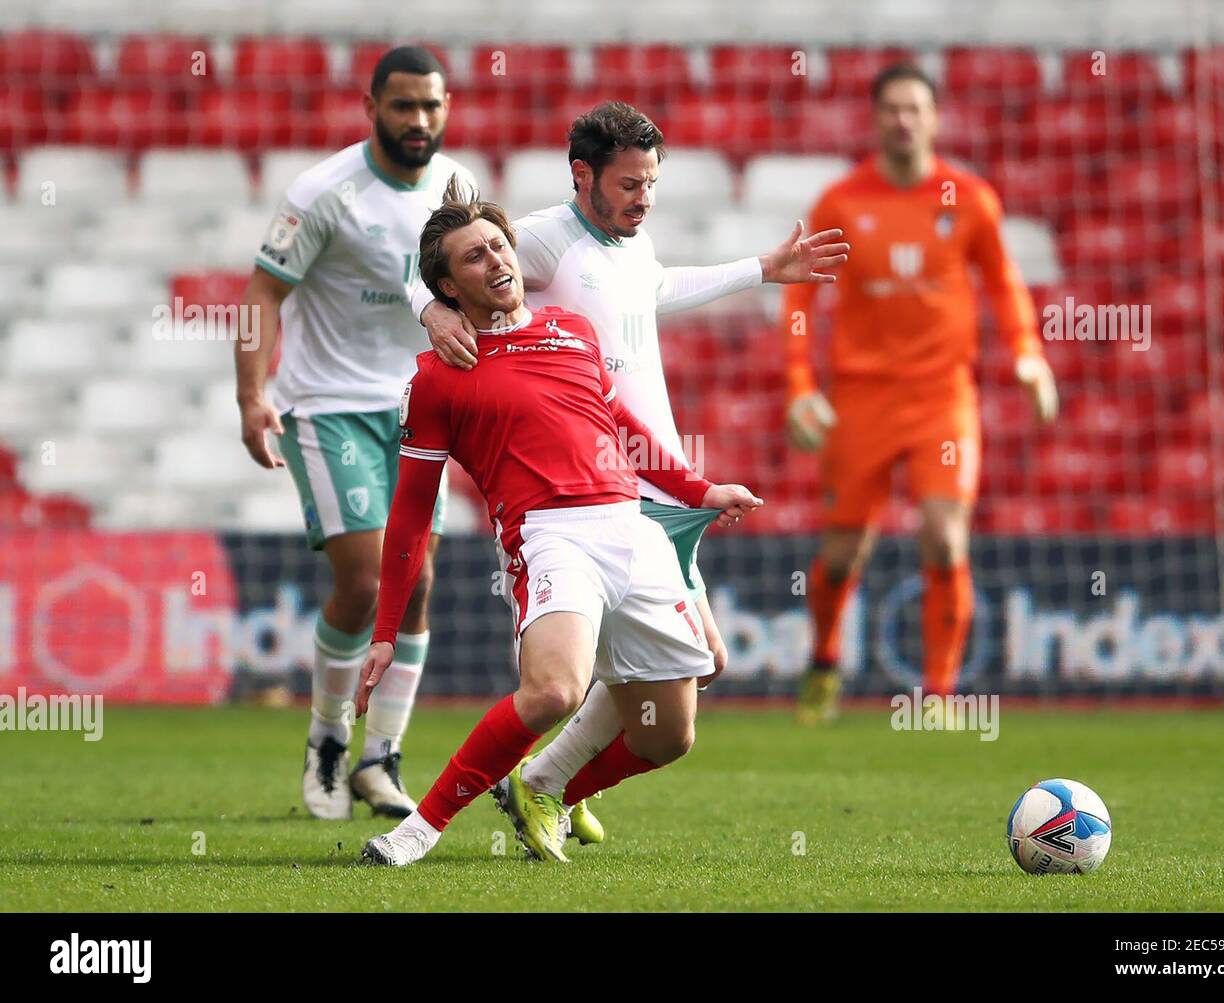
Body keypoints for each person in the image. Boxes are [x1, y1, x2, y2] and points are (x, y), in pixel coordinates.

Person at [410, 102, 846, 841]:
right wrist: (429, 310)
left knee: (692, 666)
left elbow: (656, 288)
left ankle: (548, 782)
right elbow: (436, 253)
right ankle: (546, 784)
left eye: (651, 182)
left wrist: (760, 271)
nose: (644, 197)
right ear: (583, 175)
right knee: (695, 664)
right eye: (629, 183)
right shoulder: (546, 237)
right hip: (609, 488)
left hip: (658, 477)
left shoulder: (630, 243)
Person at [357, 179, 762, 865]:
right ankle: (415, 831)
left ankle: (548, 783)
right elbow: (411, 511)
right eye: (473, 258)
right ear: (448, 289)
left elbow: (624, 427)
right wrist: (387, 631)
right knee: (552, 691)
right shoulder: (437, 376)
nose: (495, 261)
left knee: (669, 735)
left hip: (633, 527)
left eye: (497, 245)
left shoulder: (571, 330)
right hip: (550, 536)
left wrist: (699, 487)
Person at [237, 46, 479, 818]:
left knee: (420, 585)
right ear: (370, 106)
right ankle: (329, 739)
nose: (419, 121)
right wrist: (251, 396)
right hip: (328, 401)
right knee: (368, 578)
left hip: (418, 406)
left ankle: (382, 758)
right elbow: (261, 294)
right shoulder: (324, 192)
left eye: (432, 106)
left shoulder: (458, 186)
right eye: (403, 105)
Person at [782, 63, 1058, 724]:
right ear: (875, 119)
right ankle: (824, 659)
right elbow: (798, 295)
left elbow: (1005, 284)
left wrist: (1029, 353)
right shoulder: (841, 202)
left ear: (934, 117)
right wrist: (798, 383)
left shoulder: (970, 198)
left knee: (943, 536)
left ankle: (938, 694)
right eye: (892, 109)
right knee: (844, 552)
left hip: (942, 396)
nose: (903, 119)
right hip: (861, 396)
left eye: (915, 108)